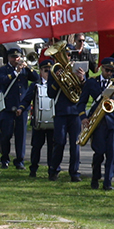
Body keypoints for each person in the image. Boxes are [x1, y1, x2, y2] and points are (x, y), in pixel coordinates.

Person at [79, 58, 114, 190]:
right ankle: (95, 178)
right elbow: (82, 102)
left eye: (112, 70)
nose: (110, 73)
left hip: (113, 121)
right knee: (99, 152)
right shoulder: (92, 83)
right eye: (107, 70)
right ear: (101, 68)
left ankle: (108, 182)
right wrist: (83, 117)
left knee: (111, 154)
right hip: (97, 122)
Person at [0, 49, 39, 169]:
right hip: (8, 106)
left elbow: (36, 78)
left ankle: (20, 160)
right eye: (13, 57)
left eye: (18, 57)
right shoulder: (3, 69)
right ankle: (4, 158)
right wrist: (15, 72)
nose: (16, 60)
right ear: (9, 58)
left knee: (21, 135)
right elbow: (2, 81)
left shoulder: (25, 69)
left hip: (22, 106)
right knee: (6, 134)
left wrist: (29, 67)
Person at [47, 52, 86, 182]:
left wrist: (81, 79)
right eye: (65, 55)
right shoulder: (54, 72)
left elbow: (85, 91)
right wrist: (58, 81)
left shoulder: (78, 70)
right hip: (61, 112)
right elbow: (50, 93)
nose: (67, 57)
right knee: (59, 142)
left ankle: (74, 172)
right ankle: (54, 170)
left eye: (68, 55)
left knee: (75, 144)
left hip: (75, 112)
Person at [19, 58, 54, 178]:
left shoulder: (58, 85)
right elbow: (27, 99)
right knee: (37, 146)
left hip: (53, 121)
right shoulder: (35, 85)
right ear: (40, 71)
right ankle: (33, 169)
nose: (48, 73)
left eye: (50, 70)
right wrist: (21, 108)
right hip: (39, 120)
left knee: (52, 147)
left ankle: (52, 170)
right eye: (45, 70)